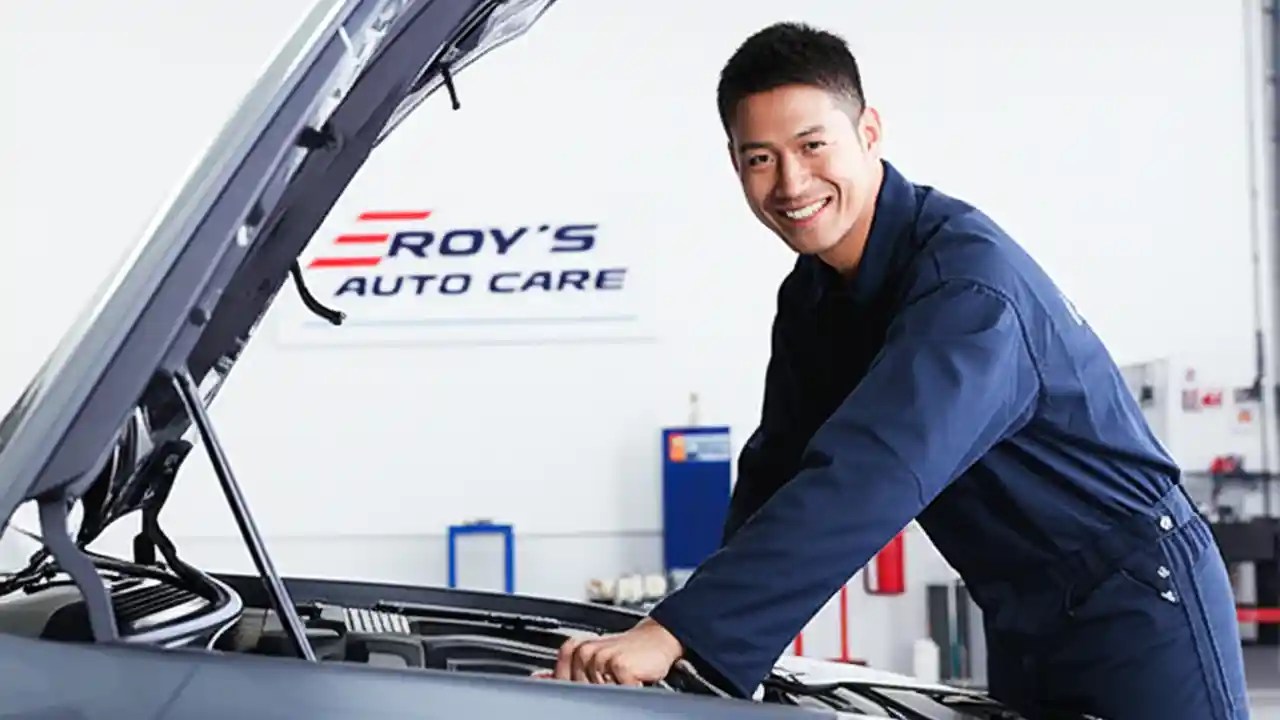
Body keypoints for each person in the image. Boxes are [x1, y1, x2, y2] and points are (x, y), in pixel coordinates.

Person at [551, 20, 1250, 719]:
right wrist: (686, 634)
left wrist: (683, 633)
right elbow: (779, 471)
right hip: (1021, 610)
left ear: (870, 132)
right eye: (759, 158)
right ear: (733, 164)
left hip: (1137, 603)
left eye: (812, 145)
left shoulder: (965, 290)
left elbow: (872, 472)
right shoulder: (814, 295)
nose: (791, 183)